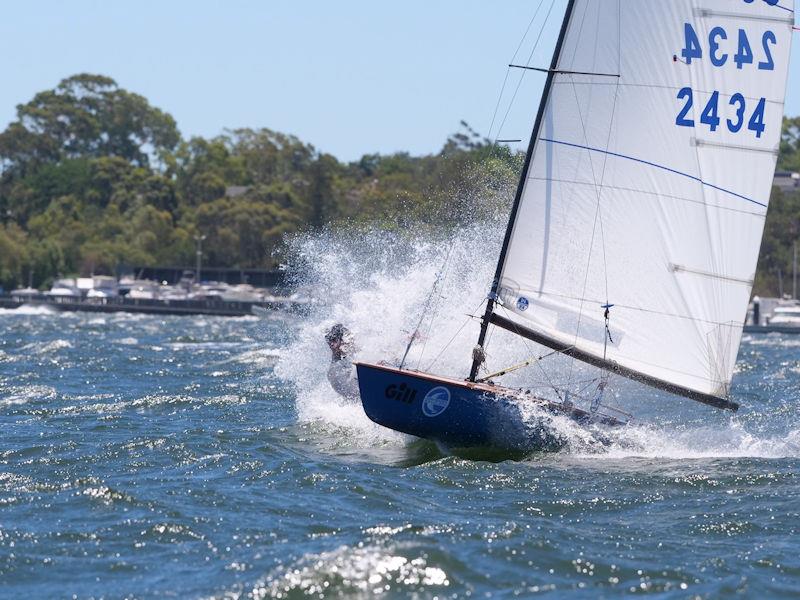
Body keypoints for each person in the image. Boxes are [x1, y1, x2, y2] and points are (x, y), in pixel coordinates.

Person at [325, 324, 359, 400]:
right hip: (354, 396)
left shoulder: (357, 352)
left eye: (334, 340)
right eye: (330, 341)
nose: (331, 344)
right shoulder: (336, 367)